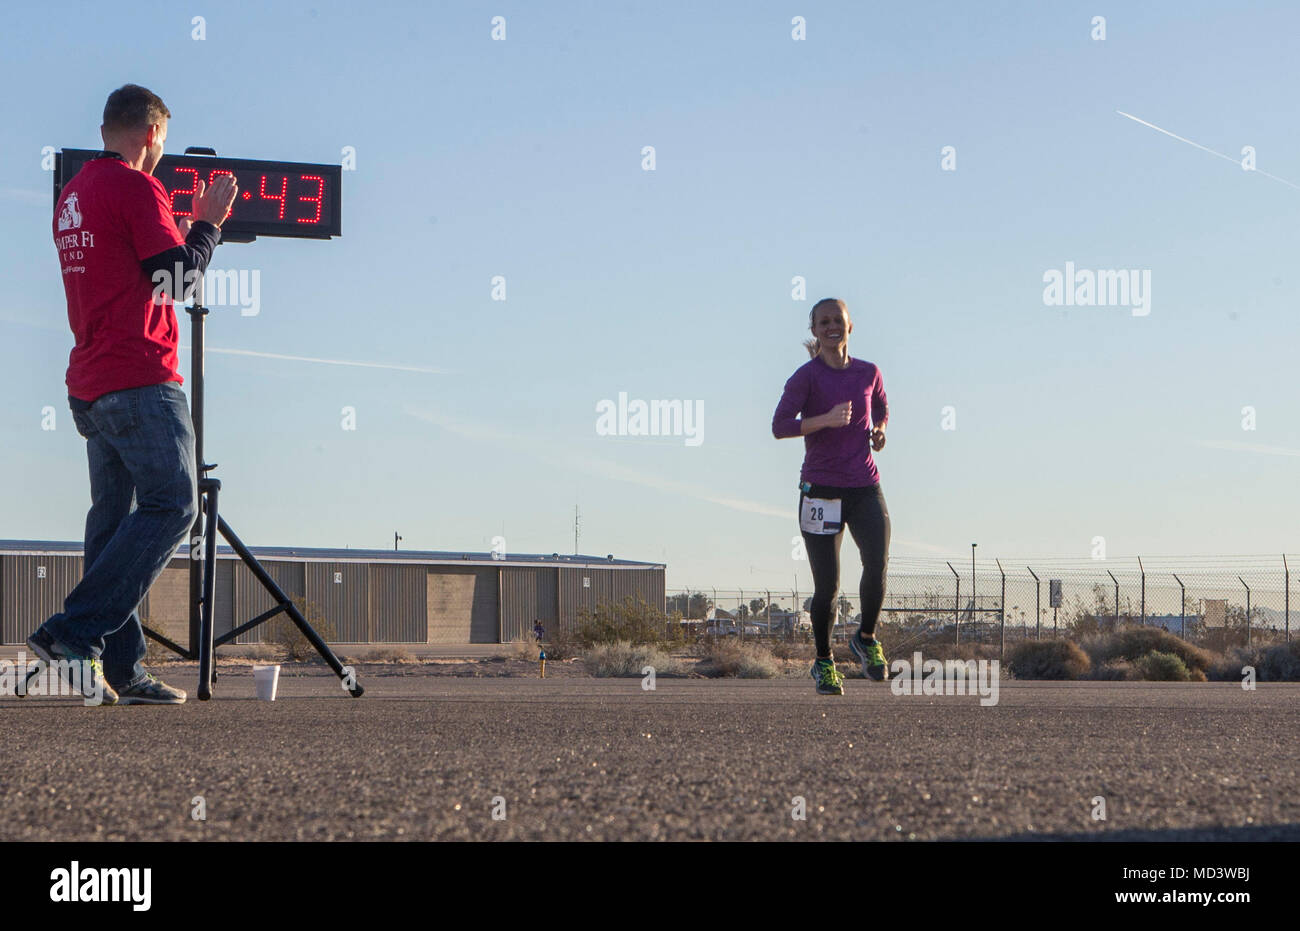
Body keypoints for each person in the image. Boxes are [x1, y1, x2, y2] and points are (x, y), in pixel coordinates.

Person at [29, 84, 238, 705]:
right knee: (174, 504)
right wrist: (206, 225)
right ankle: (74, 635)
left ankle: (121, 669)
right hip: (140, 376)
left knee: (111, 520)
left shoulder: (74, 194)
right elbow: (176, 276)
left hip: (91, 383)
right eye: (163, 144)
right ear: (150, 135)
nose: (161, 157)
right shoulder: (133, 185)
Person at [771, 298, 891, 695]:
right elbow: (779, 426)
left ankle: (866, 638)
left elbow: (881, 409)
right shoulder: (805, 378)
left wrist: (880, 431)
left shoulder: (869, 372)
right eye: (823, 322)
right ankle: (823, 663)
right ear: (815, 330)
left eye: (837, 320)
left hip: (864, 486)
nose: (831, 327)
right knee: (829, 586)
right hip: (821, 490)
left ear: (850, 326)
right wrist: (824, 420)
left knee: (877, 562)